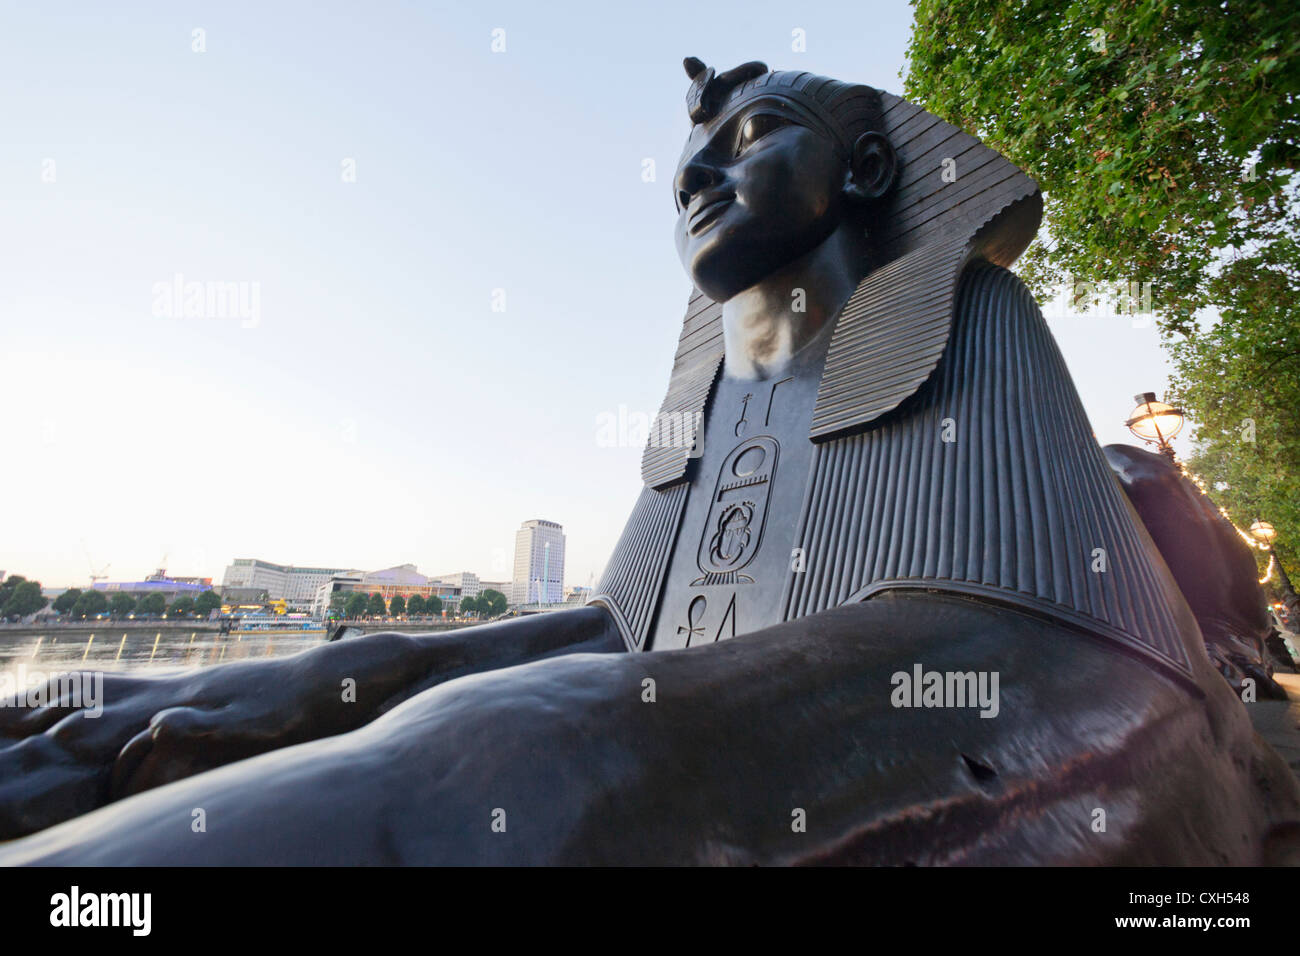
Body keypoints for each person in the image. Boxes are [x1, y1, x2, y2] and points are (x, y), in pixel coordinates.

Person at [2, 59, 1296, 865]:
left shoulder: (966, 322)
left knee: (535, 754)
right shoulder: (711, 407)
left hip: (1036, 730)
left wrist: (546, 726)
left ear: (862, 165)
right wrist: (331, 678)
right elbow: (626, 626)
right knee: (148, 721)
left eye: (754, 137)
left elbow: (1043, 642)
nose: (700, 171)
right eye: (691, 155)